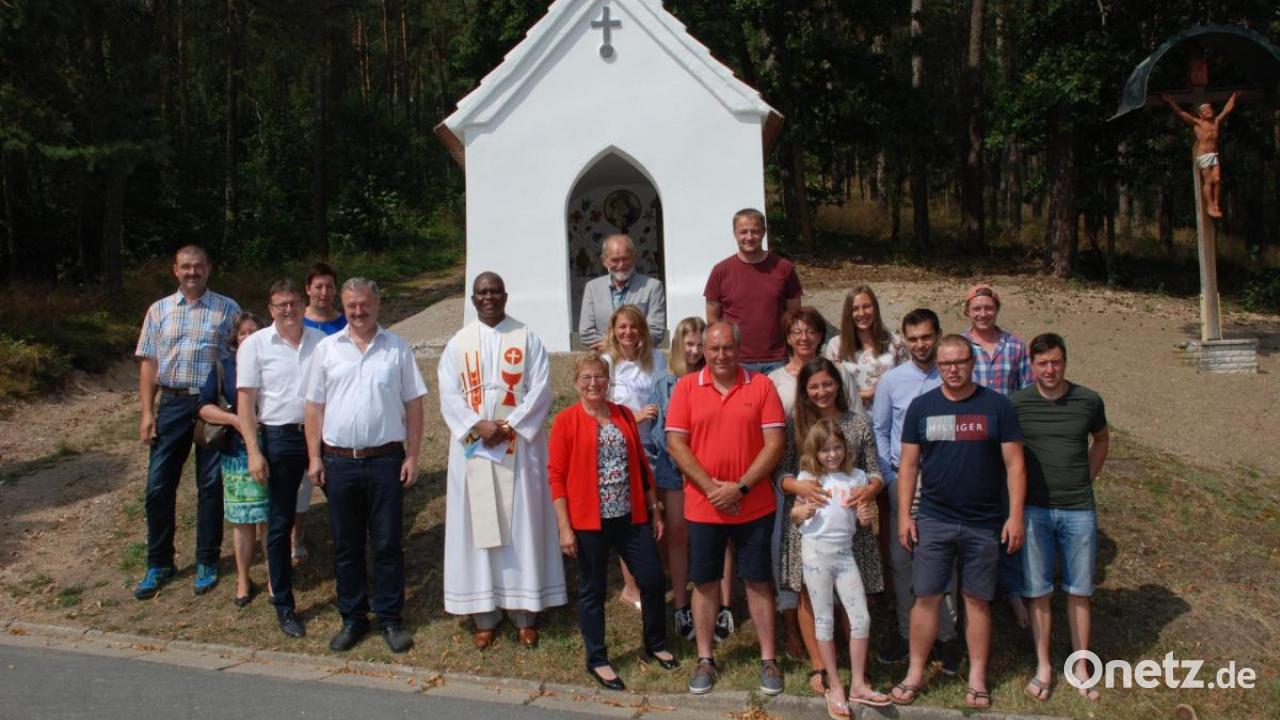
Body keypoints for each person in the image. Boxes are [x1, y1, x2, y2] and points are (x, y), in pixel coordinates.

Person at [890, 335, 1026, 710]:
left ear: (972, 363)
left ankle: (977, 677)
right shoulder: (922, 407)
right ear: (938, 364)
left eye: (960, 362)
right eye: (946, 363)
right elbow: (909, 466)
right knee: (926, 598)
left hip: (985, 523)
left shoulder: (997, 406)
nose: (953, 369)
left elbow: (1015, 464)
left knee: (977, 601)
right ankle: (915, 672)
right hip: (934, 519)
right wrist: (904, 515)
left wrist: (1015, 516)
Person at [438, 272, 567, 649]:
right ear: (473, 299)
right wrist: (478, 426)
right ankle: (484, 613)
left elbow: (542, 388)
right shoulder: (457, 344)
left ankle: (524, 611)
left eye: (495, 291)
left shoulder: (527, 338)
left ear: (505, 296)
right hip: (474, 447)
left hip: (518, 448)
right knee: (479, 529)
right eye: (482, 293)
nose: (489, 297)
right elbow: (448, 395)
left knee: (520, 525)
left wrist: (509, 426)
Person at [303, 278, 427, 654]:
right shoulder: (326, 350)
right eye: (352, 305)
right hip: (339, 463)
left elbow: (414, 405)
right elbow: (313, 407)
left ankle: (390, 618)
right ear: (344, 306)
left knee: (388, 544)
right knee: (346, 546)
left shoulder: (398, 349)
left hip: (386, 461)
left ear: (378, 303)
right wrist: (313, 457)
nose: (359, 312)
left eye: (365, 305)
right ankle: (353, 618)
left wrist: (413, 455)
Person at [665, 321, 786, 696]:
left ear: (739, 347)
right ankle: (705, 658)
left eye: (727, 348)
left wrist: (741, 487)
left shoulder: (762, 386)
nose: (720, 355)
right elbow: (675, 444)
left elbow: (774, 444)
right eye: (713, 348)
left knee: (757, 580)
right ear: (703, 349)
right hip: (704, 507)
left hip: (754, 504)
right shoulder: (686, 387)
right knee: (703, 582)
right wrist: (711, 488)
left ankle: (769, 659)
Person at [548, 352, 678, 691]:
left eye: (600, 377)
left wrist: (655, 509)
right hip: (589, 520)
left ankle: (655, 642)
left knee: (651, 577)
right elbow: (556, 477)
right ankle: (598, 658)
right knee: (593, 590)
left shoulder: (622, 414)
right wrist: (564, 526)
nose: (594, 384)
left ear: (609, 381)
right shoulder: (566, 421)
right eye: (586, 378)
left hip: (630, 514)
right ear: (576, 383)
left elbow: (640, 465)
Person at [134, 245, 241, 600]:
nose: (192, 272)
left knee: (210, 486)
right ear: (175, 270)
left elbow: (239, 358)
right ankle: (159, 561)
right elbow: (149, 362)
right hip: (173, 403)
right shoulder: (159, 310)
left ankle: (207, 560)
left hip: (210, 404)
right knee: (158, 486)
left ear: (209, 269)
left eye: (198, 266)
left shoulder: (227, 309)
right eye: (185, 267)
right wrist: (147, 412)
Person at [774, 358, 883, 697]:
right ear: (805, 392)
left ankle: (855, 671)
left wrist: (869, 490)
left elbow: (875, 471)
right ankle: (820, 665)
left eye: (827, 384)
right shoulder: (797, 424)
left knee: (855, 594)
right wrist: (800, 489)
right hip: (809, 522)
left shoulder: (858, 423)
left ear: (837, 384)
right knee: (809, 596)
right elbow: (782, 475)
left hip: (852, 525)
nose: (821, 392)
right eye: (814, 387)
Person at [1012, 334, 1109, 703]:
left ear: (1064, 361)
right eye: (1042, 364)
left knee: (1080, 590)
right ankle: (1043, 666)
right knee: (1037, 590)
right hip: (1033, 508)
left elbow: (1101, 440)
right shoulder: (1017, 403)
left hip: (1078, 509)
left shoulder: (1088, 400)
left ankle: (1080, 666)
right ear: (1032, 366)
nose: (1050, 370)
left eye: (1055, 362)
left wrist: (1087, 476)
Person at [870, 309, 959, 670]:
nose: (920, 344)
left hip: (944, 482)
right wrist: (890, 480)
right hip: (902, 480)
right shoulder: (892, 381)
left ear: (938, 335)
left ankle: (947, 638)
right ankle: (908, 634)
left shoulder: (952, 376)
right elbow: (879, 430)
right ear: (904, 341)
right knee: (902, 559)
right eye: (914, 338)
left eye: (926, 337)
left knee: (944, 561)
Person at [237, 280, 325, 638]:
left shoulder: (322, 342)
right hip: (279, 438)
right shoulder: (255, 346)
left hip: (322, 435)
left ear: (303, 304)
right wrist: (254, 451)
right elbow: (245, 402)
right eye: (280, 305)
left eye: (293, 303)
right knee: (279, 523)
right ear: (270, 310)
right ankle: (284, 606)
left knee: (347, 513)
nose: (288, 310)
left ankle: (357, 596)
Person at [790, 419, 892, 714]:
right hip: (816, 555)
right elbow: (795, 515)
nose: (832, 455)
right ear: (815, 452)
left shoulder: (857, 477)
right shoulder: (809, 477)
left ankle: (858, 683)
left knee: (861, 618)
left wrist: (864, 517)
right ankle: (835, 685)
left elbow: (863, 522)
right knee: (824, 620)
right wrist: (803, 510)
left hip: (845, 554)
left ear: (845, 449)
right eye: (825, 450)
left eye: (836, 448)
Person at [650, 316, 735, 644]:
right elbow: (661, 435)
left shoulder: (717, 377)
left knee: (723, 536)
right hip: (675, 468)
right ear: (678, 346)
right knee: (678, 535)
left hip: (714, 468)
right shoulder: (663, 382)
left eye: (701, 344)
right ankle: (682, 605)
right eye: (689, 344)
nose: (696, 350)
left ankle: (725, 605)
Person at [961, 283, 1032, 626]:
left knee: (1011, 514)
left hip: (1005, 441)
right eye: (977, 308)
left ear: (996, 309)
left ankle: (1013, 590)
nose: (983, 313)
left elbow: (1027, 392)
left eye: (988, 308)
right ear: (967, 311)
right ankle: (973, 589)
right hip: (970, 442)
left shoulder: (1015, 346)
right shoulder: (960, 347)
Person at [196, 312, 266, 610]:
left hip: (272, 449)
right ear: (235, 340)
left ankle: (275, 577)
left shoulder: (273, 364)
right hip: (237, 454)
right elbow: (203, 407)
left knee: (270, 518)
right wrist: (236, 420)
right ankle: (243, 578)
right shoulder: (223, 368)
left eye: (254, 331)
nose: (248, 337)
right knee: (242, 520)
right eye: (243, 333)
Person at [602, 305, 666, 609]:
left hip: (655, 446)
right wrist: (633, 418)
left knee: (658, 512)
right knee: (631, 519)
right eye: (621, 327)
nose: (627, 333)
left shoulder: (656, 359)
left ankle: (656, 574)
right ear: (614, 330)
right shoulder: (607, 363)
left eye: (633, 327)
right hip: (621, 449)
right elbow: (596, 411)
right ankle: (630, 587)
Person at [704, 209, 802, 374]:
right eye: (743, 232)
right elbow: (713, 319)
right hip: (736, 359)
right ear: (734, 234)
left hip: (777, 359)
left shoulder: (784, 268)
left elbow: (794, 313)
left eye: (755, 231)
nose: (749, 237)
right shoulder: (720, 271)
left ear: (763, 232)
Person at [294, 262, 346, 567]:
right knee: (302, 481)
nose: (324, 292)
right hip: (303, 409)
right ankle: (296, 535)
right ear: (308, 289)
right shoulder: (297, 322)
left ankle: (346, 531)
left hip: (336, 410)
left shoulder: (344, 322)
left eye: (329, 286)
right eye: (318, 286)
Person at [824, 285, 908, 412]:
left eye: (866, 306)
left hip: (889, 419)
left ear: (875, 308)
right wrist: (868, 394)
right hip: (851, 421)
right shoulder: (836, 346)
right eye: (855, 309)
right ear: (848, 313)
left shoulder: (896, 343)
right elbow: (831, 391)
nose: (861, 313)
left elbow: (906, 382)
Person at [768, 306, 861, 418]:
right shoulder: (774, 380)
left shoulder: (839, 371)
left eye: (811, 332)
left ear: (820, 336)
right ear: (788, 338)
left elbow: (857, 415)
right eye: (797, 332)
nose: (804, 338)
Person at [579, 234, 666, 350]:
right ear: (604, 261)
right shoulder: (592, 288)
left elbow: (656, 330)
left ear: (634, 257)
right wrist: (619, 345)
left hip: (640, 360)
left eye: (625, 259)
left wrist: (622, 345)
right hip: (605, 361)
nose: (621, 265)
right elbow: (586, 332)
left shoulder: (653, 287)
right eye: (615, 260)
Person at [1161, 91, 1239, 218]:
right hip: (1203, 155)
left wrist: (1234, 96)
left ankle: (1216, 203)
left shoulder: (1216, 122)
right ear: (1200, 114)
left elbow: (1227, 110)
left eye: (1209, 109)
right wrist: (1171, 101)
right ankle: (1209, 205)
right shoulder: (1197, 123)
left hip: (1214, 154)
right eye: (1205, 110)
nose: (1208, 111)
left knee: (1218, 179)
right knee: (1208, 181)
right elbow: (1181, 113)